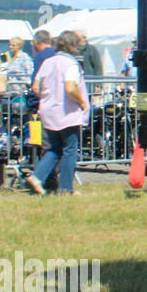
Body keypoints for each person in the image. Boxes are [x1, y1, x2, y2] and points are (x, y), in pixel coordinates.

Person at [24, 31, 89, 196]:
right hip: (67, 112)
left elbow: (35, 87)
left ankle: (37, 177)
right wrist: (81, 101)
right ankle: (66, 188)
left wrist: (48, 97)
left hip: (48, 111)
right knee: (69, 150)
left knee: (54, 149)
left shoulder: (48, 62)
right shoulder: (71, 64)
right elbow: (70, 87)